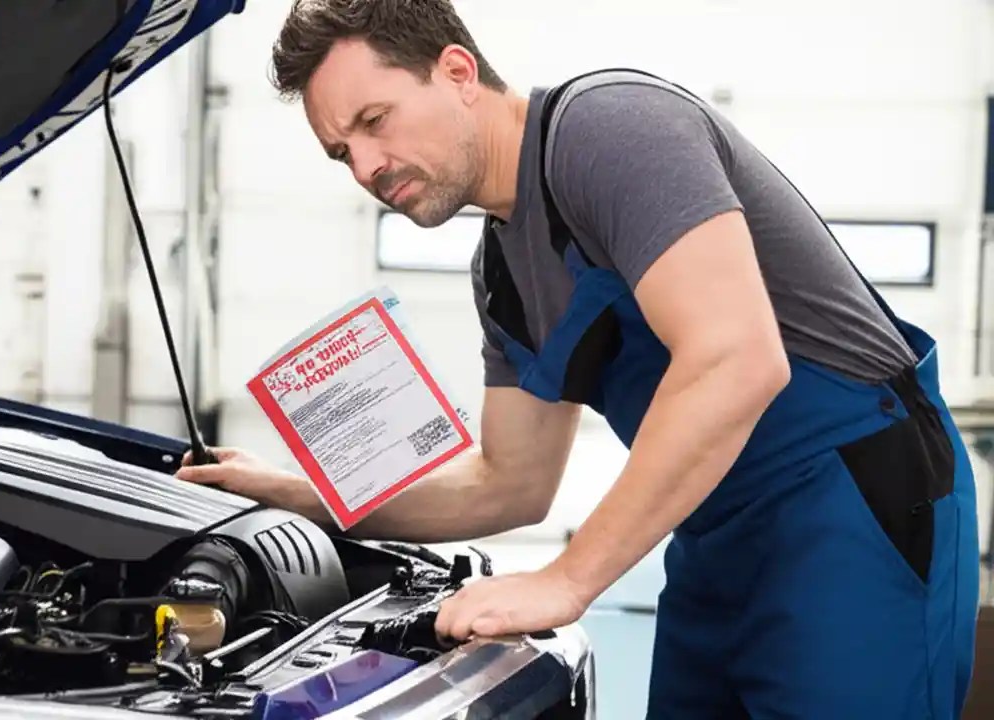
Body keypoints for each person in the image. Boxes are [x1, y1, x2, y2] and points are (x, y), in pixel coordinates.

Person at [176, 1, 980, 716]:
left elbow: (737, 358)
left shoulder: (610, 130)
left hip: (853, 510)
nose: (365, 167)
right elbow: (509, 484)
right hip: (712, 531)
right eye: (340, 152)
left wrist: (565, 580)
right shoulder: (502, 274)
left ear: (457, 72)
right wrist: (297, 495)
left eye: (375, 120)